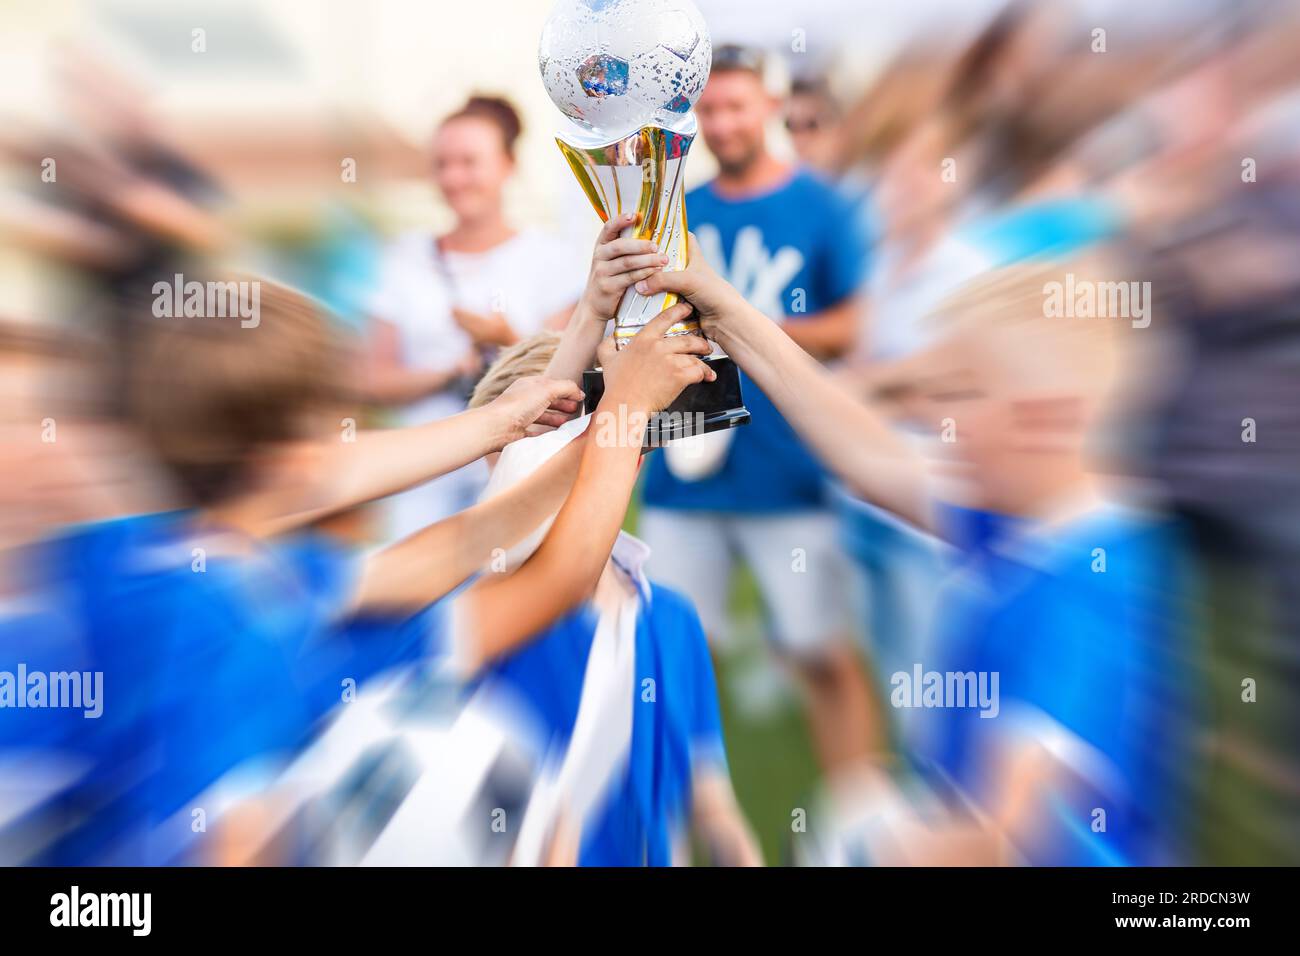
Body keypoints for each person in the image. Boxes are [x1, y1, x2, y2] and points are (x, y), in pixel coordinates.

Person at [38, 274, 711, 864]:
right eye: (339, 421)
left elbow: (458, 544)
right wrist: (628, 413)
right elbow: (556, 581)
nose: (354, 433)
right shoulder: (254, 639)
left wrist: (520, 423)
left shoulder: (139, 558)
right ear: (291, 462)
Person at [635, 245, 1193, 865]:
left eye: (963, 393)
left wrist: (868, 839)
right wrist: (731, 317)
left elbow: (998, 842)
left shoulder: (1087, 591)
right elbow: (871, 460)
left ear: (1046, 421)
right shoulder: (1029, 522)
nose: (935, 417)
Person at [636, 45, 878, 775]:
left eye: (737, 106)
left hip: (788, 467)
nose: (721, 123)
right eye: (708, 109)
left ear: (770, 108)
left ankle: (858, 822)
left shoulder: (823, 205)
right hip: (684, 461)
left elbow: (852, 326)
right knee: (674, 655)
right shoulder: (677, 208)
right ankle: (676, 820)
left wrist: (745, 324)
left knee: (819, 652)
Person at [462, 328, 761, 867]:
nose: (510, 510)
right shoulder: (490, 621)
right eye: (500, 484)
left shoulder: (672, 618)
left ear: (631, 461)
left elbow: (711, 804)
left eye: (533, 481)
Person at [365, 95, 586, 537]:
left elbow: (570, 381)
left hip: (513, 465)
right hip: (421, 474)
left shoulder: (551, 259)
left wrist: (511, 344)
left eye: (469, 162)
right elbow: (370, 380)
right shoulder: (403, 258)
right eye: (442, 164)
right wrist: (451, 372)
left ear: (507, 165)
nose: (453, 177)